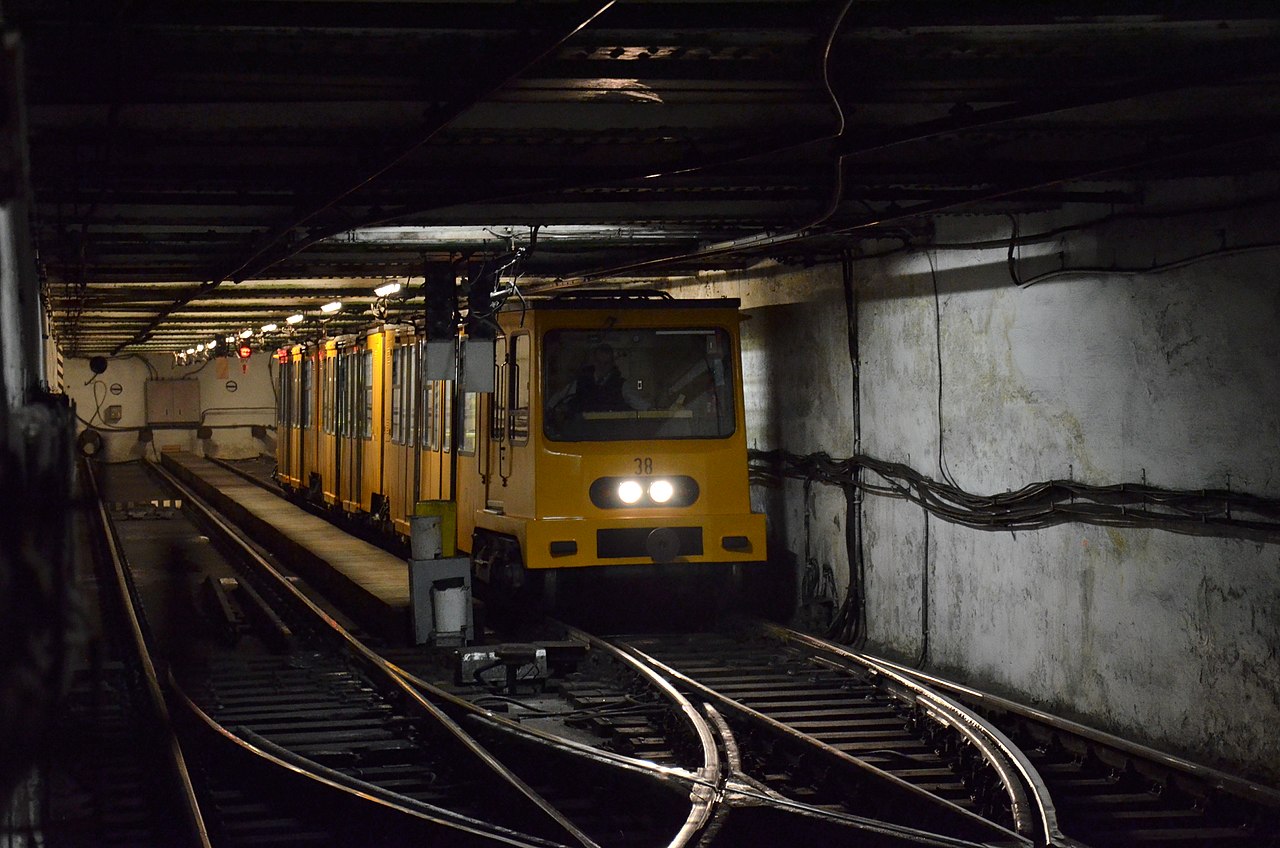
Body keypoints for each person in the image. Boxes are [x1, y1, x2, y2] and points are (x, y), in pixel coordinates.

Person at [550, 343, 648, 415]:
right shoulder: (580, 382)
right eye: (599, 362)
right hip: (583, 433)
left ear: (612, 364)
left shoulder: (622, 386)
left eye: (606, 363)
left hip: (612, 433)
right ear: (594, 362)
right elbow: (558, 398)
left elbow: (640, 404)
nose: (602, 366)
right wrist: (552, 409)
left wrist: (651, 412)